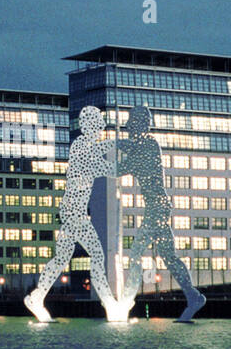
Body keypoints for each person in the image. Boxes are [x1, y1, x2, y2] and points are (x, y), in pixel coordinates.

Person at [24, 105, 118, 322]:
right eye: (98, 125)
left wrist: (121, 149)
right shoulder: (80, 146)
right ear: (89, 126)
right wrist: (121, 146)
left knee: (61, 258)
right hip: (74, 213)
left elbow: (106, 162)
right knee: (97, 254)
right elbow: (105, 166)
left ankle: (37, 296)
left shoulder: (86, 148)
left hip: (72, 212)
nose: (101, 128)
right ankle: (109, 302)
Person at [118, 104, 206, 322]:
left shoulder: (148, 145)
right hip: (157, 206)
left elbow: (120, 167)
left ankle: (126, 301)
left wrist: (99, 153)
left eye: (131, 123)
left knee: (136, 252)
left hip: (157, 207)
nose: (128, 127)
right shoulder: (142, 145)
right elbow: (127, 148)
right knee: (169, 256)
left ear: (139, 125)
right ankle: (193, 295)